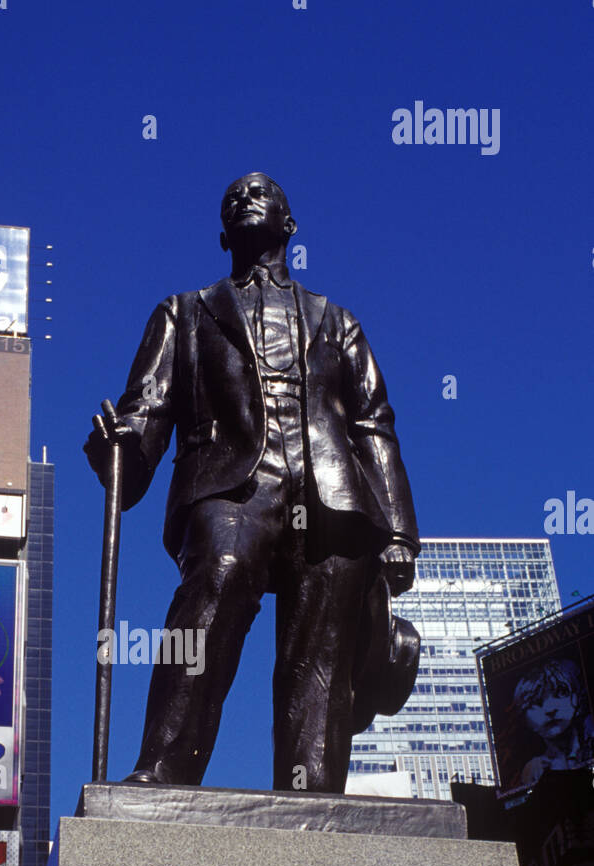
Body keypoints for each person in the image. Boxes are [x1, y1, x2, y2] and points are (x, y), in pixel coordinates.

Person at [85, 172, 419, 792]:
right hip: (234, 480)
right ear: (221, 235)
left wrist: (398, 530)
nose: (245, 198)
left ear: (289, 225)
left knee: (321, 637)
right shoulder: (184, 312)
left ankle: (311, 786)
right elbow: (149, 406)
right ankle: (164, 764)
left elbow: (374, 421)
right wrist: (122, 446)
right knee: (219, 575)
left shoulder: (336, 319)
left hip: (331, 489)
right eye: (233, 197)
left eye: (261, 192)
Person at [513, 658, 594, 785]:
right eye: (536, 702)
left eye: (560, 693)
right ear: (524, 718)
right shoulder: (534, 770)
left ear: (576, 696)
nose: (550, 709)